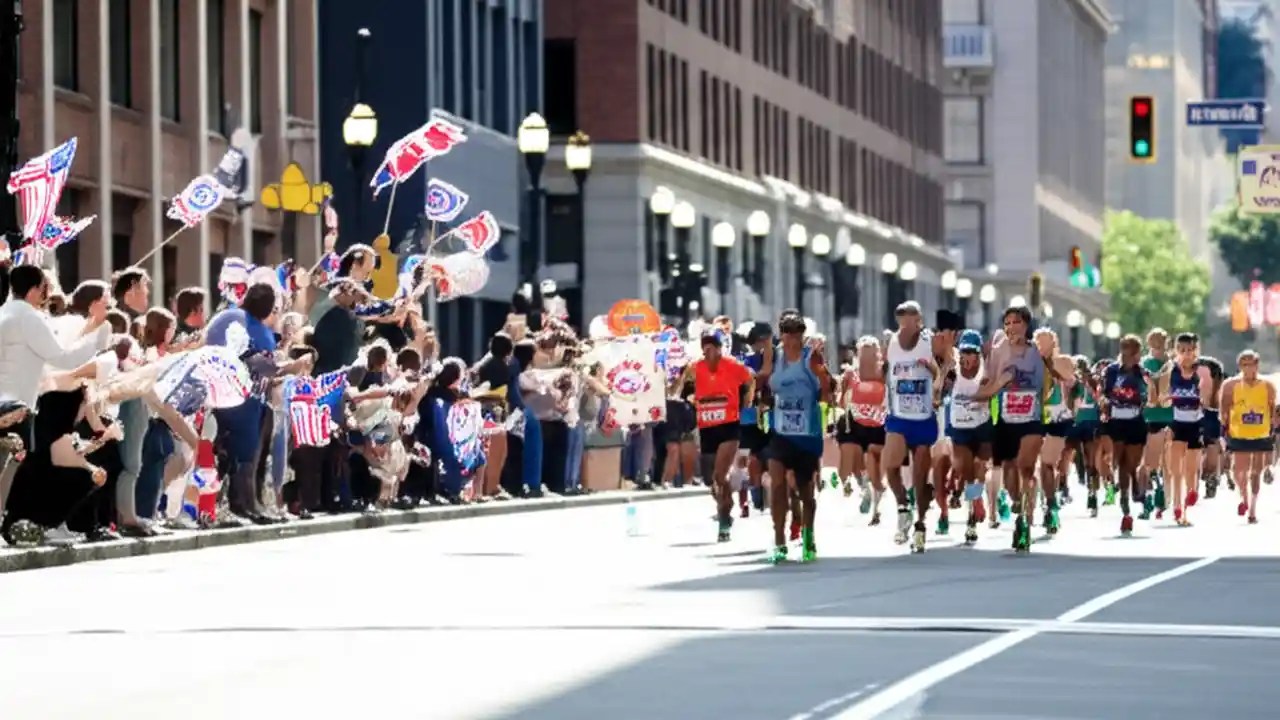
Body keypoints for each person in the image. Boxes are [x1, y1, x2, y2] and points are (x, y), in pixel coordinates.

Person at [0, 265, 111, 518]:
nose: (45, 294)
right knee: (10, 466)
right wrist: (95, 341)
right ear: (34, 289)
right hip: (17, 406)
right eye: (43, 288)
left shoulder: (3, 312)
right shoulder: (30, 317)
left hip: (7, 401)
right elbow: (62, 357)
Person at [758, 310, 829, 563]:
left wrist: (823, 387)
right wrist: (762, 397)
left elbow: (826, 389)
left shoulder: (811, 357)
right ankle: (779, 540)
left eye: (795, 336)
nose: (790, 341)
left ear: (802, 336)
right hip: (780, 431)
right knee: (777, 483)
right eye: (786, 335)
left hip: (807, 434)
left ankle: (809, 536)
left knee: (805, 491)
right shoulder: (774, 356)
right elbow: (765, 383)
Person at [973, 306, 1044, 552]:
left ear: (1026, 325)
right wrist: (989, 387)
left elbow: (1046, 386)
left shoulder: (1036, 352)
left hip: (1032, 418)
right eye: (1007, 323)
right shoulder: (997, 350)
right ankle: (1018, 502)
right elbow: (988, 382)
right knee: (1010, 471)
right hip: (1005, 418)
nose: (1011, 327)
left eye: (1016, 322)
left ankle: (1024, 521)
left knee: (1025, 466)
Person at [676, 330, 754, 542]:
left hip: (728, 426)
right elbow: (678, 388)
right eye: (705, 346)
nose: (707, 350)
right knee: (713, 480)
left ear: (720, 349)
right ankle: (725, 507)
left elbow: (750, 379)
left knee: (720, 475)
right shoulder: (696, 367)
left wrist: (747, 401)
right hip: (707, 427)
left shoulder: (732, 365)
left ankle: (723, 521)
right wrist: (686, 391)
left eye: (712, 346)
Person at [881, 301, 942, 553]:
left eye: (911, 318)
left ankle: (920, 523)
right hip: (898, 414)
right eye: (902, 319)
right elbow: (888, 374)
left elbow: (941, 373)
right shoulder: (892, 343)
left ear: (919, 320)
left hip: (924, 417)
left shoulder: (929, 341)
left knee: (919, 476)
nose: (906, 323)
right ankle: (903, 508)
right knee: (891, 466)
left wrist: (930, 368)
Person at [945, 330, 991, 545]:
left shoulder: (986, 370)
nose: (967, 357)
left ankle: (976, 499)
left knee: (980, 467)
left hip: (982, 426)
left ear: (979, 353)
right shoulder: (953, 369)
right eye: (964, 351)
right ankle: (972, 513)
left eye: (972, 352)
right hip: (960, 426)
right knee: (966, 470)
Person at [1100, 336, 1148, 536]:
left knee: (1132, 462)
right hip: (1116, 420)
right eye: (1130, 353)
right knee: (1119, 460)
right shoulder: (1111, 371)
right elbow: (1103, 392)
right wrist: (1105, 403)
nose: (1135, 357)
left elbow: (1148, 395)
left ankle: (1135, 484)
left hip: (1136, 421)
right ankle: (1125, 502)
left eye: (1136, 353)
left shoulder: (1142, 373)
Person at [1221, 349, 1274, 524]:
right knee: (1238, 470)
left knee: (1255, 472)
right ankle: (1243, 497)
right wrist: (1225, 428)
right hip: (1239, 433)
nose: (1248, 368)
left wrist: (1273, 427)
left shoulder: (1267, 386)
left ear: (1257, 365)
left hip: (1261, 433)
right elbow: (1224, 409)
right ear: (1240, 366)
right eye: (1244, 364)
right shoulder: (1230, 385)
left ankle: (1252, 509)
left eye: (1252, 364)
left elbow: (1272, 408)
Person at [1164, 332, 1211, 526]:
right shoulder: (1170, 370)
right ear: (1176, 351)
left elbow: (1206, 399)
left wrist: (1201, 393)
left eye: (1190, 350)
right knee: (1177, 469)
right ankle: (1178, 508)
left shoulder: (1202, 371)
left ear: (1196, 351)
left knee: (1192, 469)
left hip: (1195, 422)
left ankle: (1192, 493)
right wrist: (1164, 399)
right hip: (1176, 421)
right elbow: (1161, 395)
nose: (1186, 354)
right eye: (1182, 350)